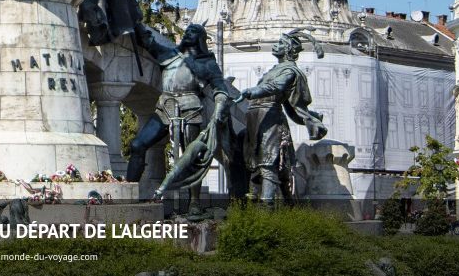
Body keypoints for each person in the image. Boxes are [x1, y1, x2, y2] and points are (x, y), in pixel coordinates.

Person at [126, 23, 231, 213]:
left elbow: (219, 87)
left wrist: (220, 102)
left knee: (191, 157)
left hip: (190, 111)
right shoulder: (168, 54)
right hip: (164, 109)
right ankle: (127, 193)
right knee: (137, 145)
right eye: (187, 31)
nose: (188, 34)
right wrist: (132, 20)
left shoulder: (207, 63)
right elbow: (148, 41)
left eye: (193, 32)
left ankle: (194, 203)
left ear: (200, 38)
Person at [235, 29, 328, 206]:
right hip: (256, 118)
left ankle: (267, 209)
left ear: (286, 50)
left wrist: (251, 91)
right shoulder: (275, 69)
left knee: (268, 164)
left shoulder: (290, 71)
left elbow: (276, 88)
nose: (275, 46)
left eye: (279, 44)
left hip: (270, 119)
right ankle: (265, 205)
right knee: (253, 163)